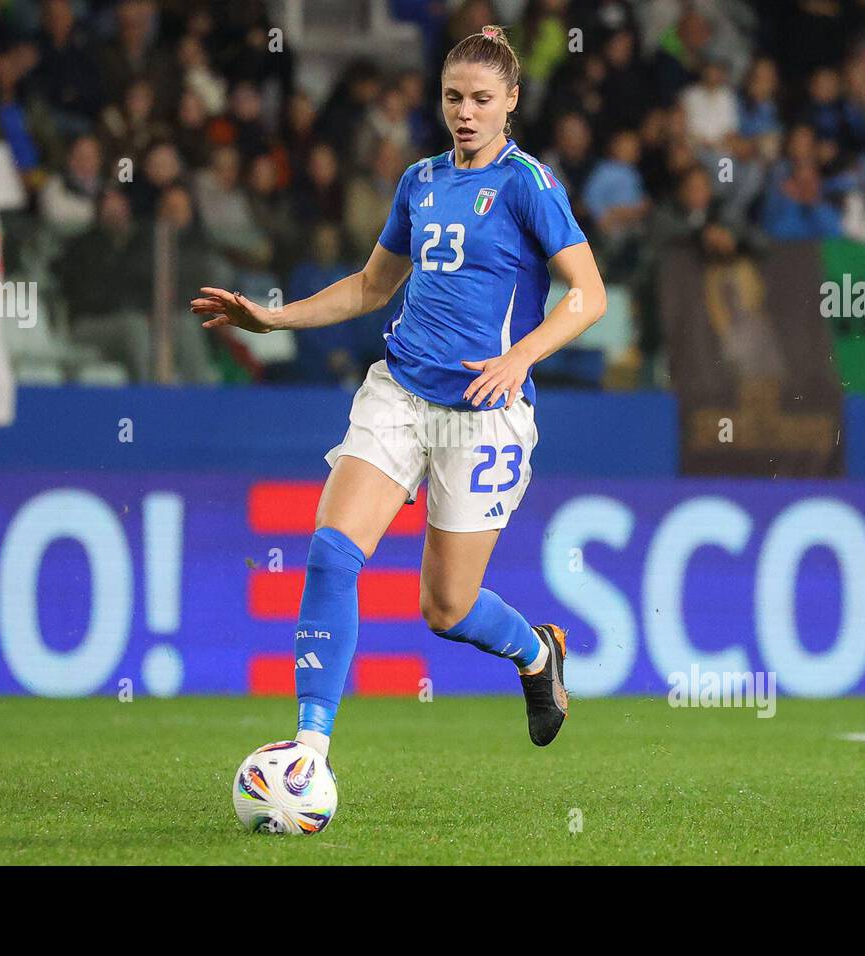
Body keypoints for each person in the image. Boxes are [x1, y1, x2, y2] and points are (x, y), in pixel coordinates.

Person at [192, 25, 606, 757]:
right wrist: (274, 317)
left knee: (446, 609)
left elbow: (589, 294)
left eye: (482, 99)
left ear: (512, 101)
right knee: (330, 551)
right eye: (454, 97)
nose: (466, 113)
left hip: (485, 412)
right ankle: (309, 749)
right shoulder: (419, 181)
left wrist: (521, 357)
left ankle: (537, 653)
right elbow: (371, 286)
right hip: (401, 391)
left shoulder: (528, 184)